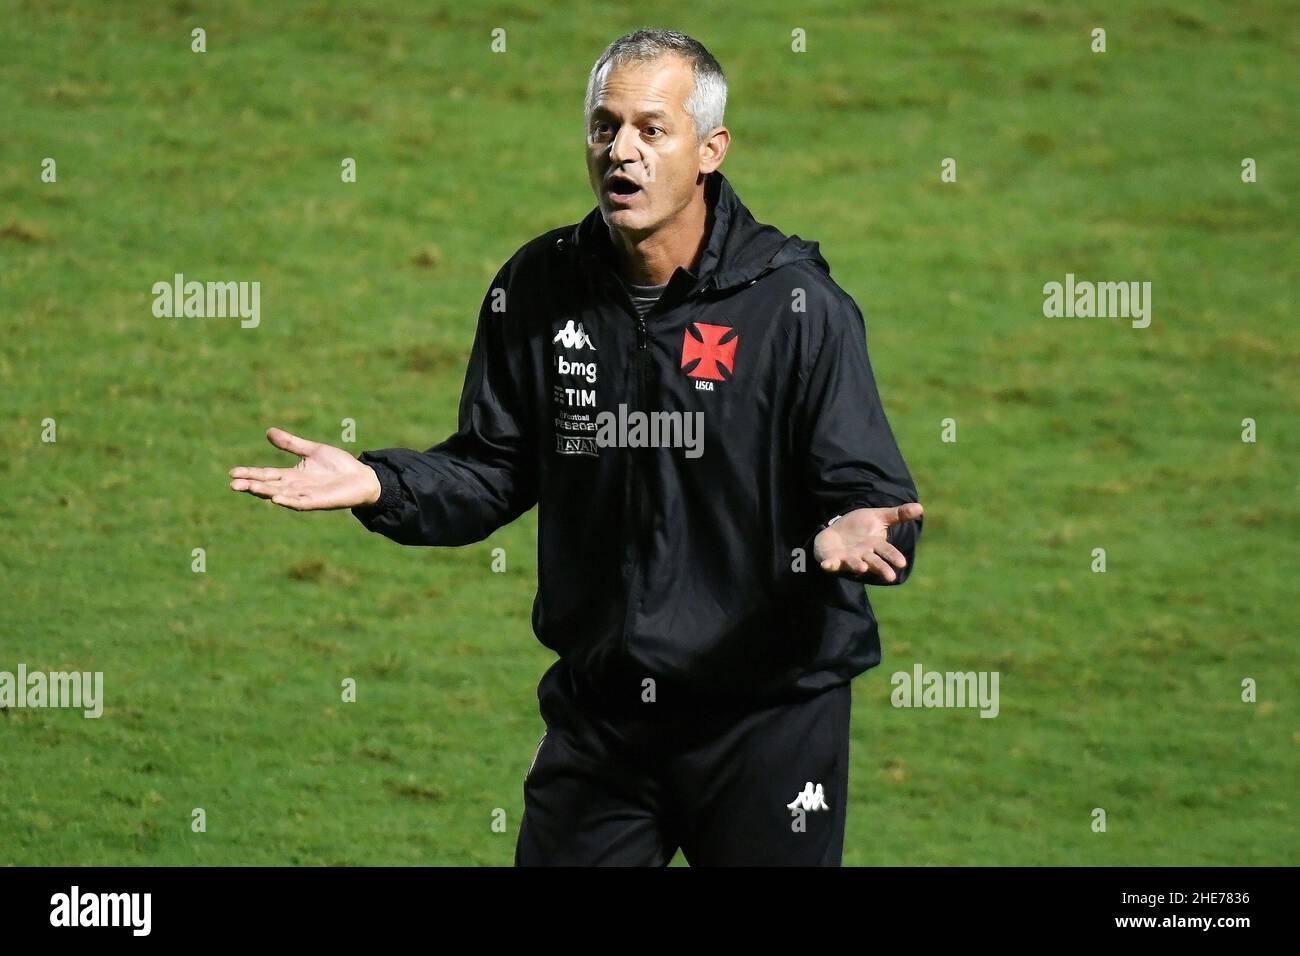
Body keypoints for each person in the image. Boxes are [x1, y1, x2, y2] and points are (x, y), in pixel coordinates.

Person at [229, 28, 923, 866]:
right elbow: (493, 467)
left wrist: (859, 530)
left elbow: (873, 490)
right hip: (607, 718)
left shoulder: (795, 308)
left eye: (650, 129)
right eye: (603, 127)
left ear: (710, 150)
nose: (620, 152)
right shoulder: (539, 284)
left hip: (766, 722)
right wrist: (380, 482)